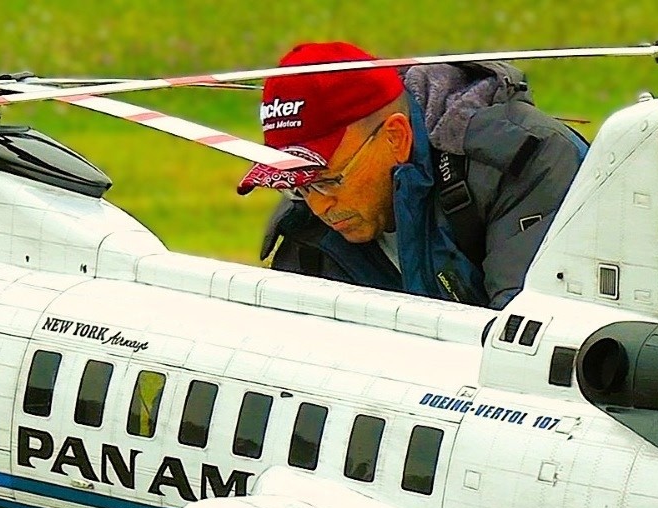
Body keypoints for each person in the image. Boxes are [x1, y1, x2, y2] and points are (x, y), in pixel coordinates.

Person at [237, 41, 588, 309]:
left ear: (396, 137)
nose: (319, 206)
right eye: (298, 186)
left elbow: (528, 347)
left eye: (328, 180)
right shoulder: (305, 226)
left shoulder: (525, 163)